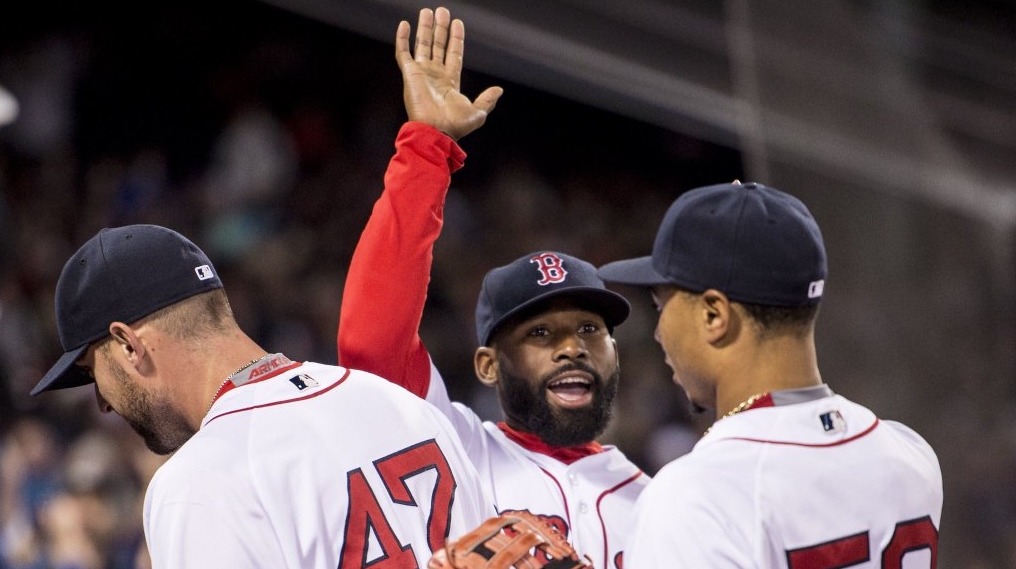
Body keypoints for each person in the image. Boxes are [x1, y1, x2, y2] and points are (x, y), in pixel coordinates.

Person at [26, 11, 502, 566]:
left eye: (94, 372)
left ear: (129, 344)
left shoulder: (199, 481)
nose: (103, 404)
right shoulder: (396, 405)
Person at [338, 8, 648, 569]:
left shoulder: (658, 503)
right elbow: (372, 343)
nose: (571, 346)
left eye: (589, 329)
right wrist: (426, 149)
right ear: (487, 365)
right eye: (539, 332)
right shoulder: (454, 451)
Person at [597, 181, 943, 568]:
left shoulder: (695, 498)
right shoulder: (911, 453)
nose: (659, 334)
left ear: (714, 315)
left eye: (662, 308)